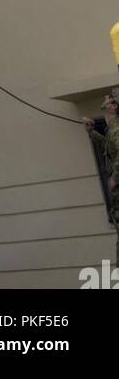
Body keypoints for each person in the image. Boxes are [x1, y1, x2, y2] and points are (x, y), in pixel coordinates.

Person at [84, 89, 119, 264]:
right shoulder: (113, 129)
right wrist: (93, 133)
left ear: (113, 106)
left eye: (109, 98)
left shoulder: (116, 129)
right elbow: (110, 149)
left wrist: (115, 179)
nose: (105, 98)